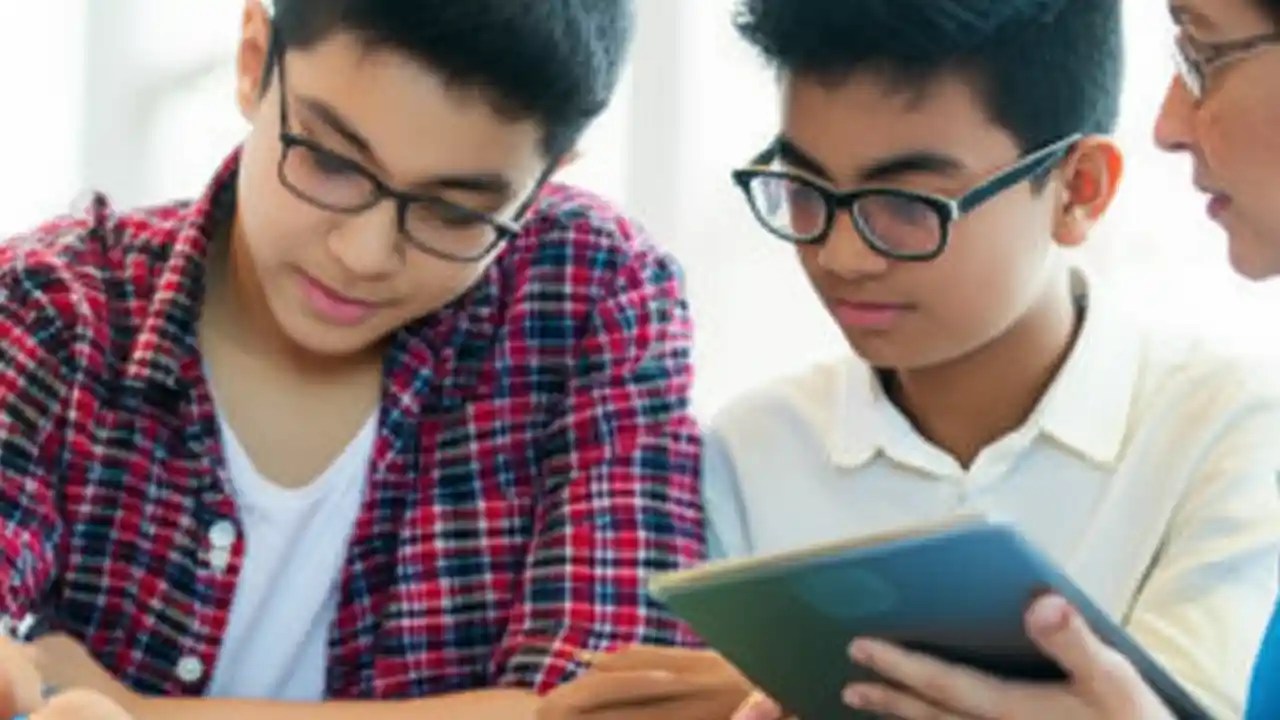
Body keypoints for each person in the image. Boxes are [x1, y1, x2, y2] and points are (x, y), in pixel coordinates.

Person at [538, 1, 1280, 719]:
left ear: (1077, 191)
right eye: (805, 190)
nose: (841, 254)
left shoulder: (1230, 430)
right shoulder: (752, 449)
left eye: (906, 203)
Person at [0, 0, 704, 718]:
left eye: (453, 213)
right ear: (254, 62)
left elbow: (610, 707)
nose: (363, 256)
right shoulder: (50, 309)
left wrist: (134, 711)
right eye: (333, 162)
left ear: (545, 179)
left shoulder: (590, 294)